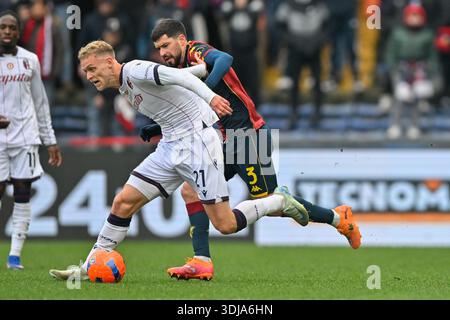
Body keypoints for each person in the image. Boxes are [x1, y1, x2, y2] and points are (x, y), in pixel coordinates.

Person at [48, 40, 308, 281]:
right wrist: (199, 73)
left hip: (198, 143)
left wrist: (211, 97)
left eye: (92, 68)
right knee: (123, 202)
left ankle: (277, 200)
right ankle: (90, 266)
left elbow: (175, 77)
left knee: (225, 224)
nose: (89, 76)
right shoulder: (124, 85)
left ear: (108, 62)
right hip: (170, 146)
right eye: (85, 72)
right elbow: (180, 78)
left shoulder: (136, 71)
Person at [148, 18, 361, 281]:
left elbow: (225, 58)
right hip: (224, 141)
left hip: (248, 134)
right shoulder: (178, 72)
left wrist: (207, 89)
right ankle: (201, 260)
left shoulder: (195, 51)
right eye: (159, 49)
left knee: (270, 201)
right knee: (191, 189)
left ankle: (338, 219)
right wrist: (153, 127)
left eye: (166, 45)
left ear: (181, 40)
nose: (163, 53)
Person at [0, 10, 62, 270]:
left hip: (26, 137)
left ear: (18, 31)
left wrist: (50, 140)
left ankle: (15, 255)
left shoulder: (30, 60)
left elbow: (40, 102)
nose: (7, 32)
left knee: (23, 191)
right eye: (2, 27)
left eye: (12, 28)